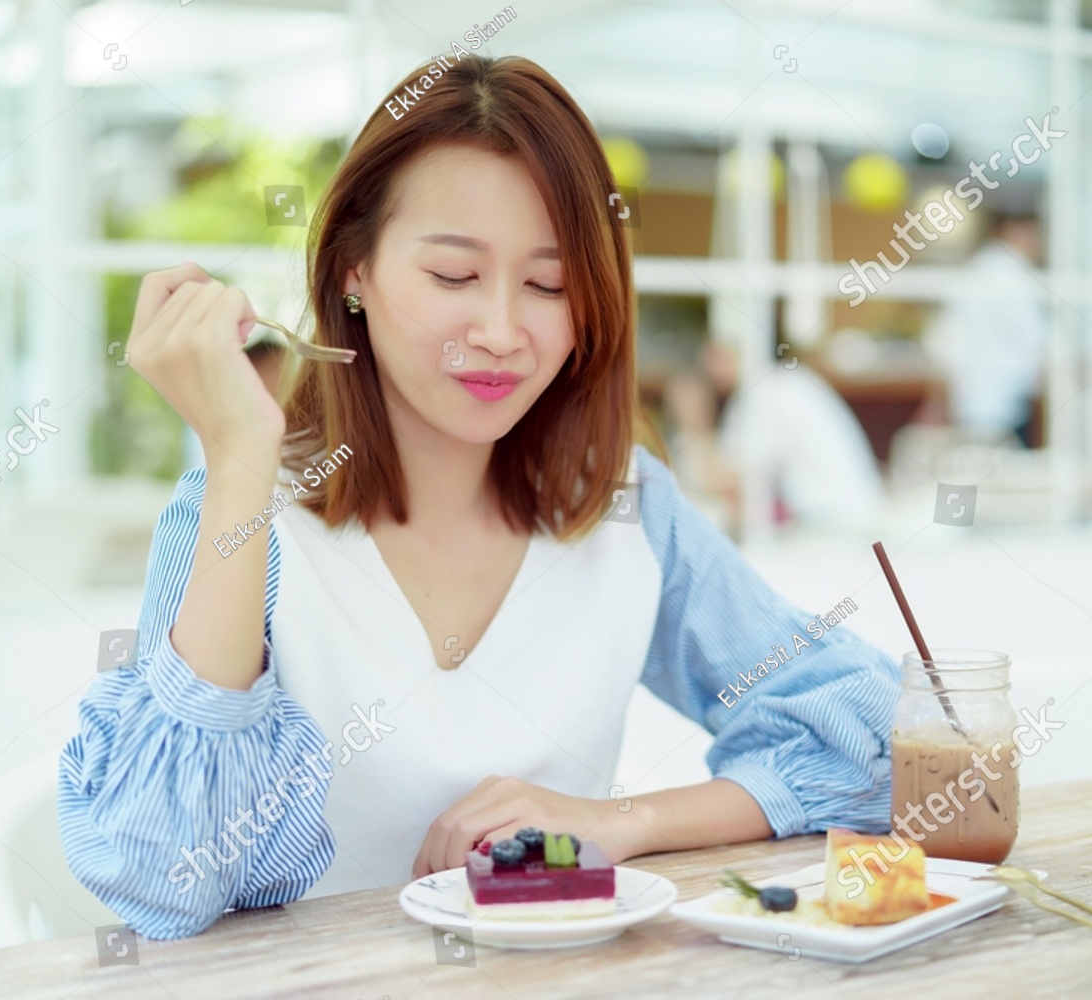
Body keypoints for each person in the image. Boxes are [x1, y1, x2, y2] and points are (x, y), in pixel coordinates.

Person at [58, 55, 901, 939]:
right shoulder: (238, 513)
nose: (500, 332)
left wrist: (623, 821)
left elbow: (882, 740)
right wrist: (238, 458)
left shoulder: (623, 507)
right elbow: (162, 879)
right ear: (353, 270)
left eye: (548, 285)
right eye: (455, 277)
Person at [702, 343, 884, 534]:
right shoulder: (783, 382)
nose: (710, 369)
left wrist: (695, 420)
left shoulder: (762, 393)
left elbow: (735, 478)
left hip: (828, 520)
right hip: (851, 510)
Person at [922, 212, 1048, 446]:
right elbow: (1035, 339)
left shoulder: (976, 271)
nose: (1037, 242)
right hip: (1006, 398)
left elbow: (940, 341)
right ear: (1013, 231)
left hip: (974, 397)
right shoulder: (1015, 278)